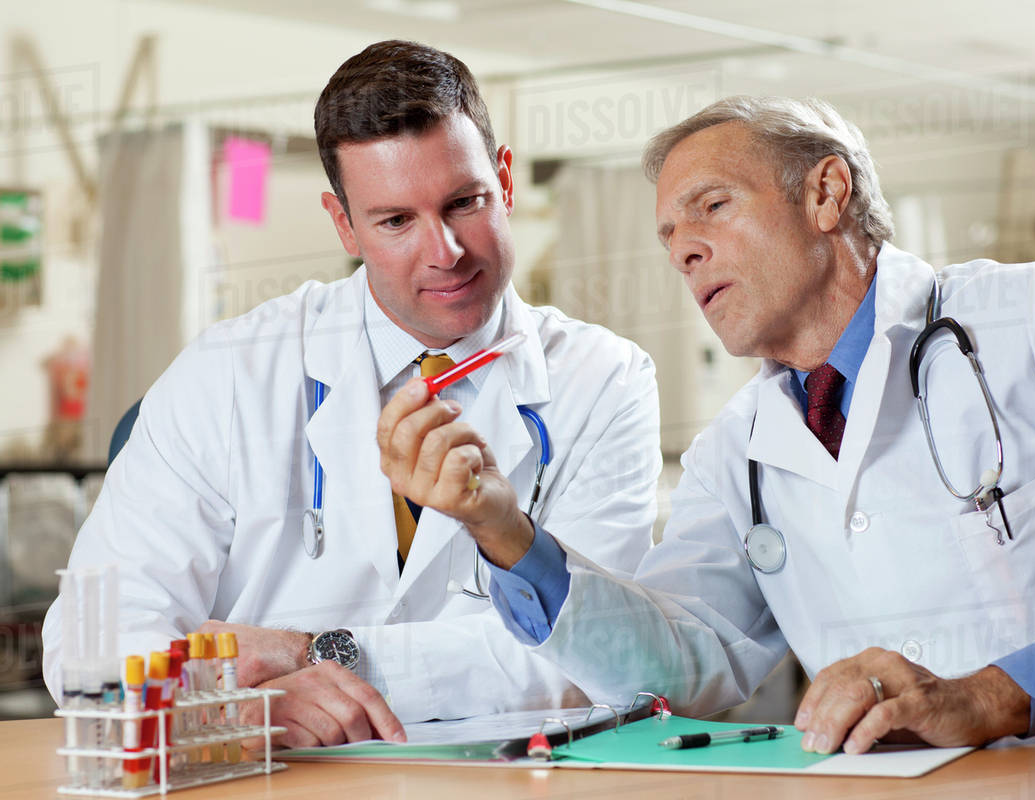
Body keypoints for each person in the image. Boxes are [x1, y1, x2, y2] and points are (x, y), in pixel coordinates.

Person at [449, 95, 1035, 751]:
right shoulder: (735, 452)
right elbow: (676, 664)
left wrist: (990, 697)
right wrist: (507, 534)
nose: (683, 250)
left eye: (712, 206)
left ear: (826, 194)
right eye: (669, 234)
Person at [41, 40, 661, 748]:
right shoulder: (230, 370)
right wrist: (237, 707)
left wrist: (314, 656)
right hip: (272, 770)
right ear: (344, 224)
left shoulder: (605, 378)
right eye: (396, 221)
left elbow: (597, 653)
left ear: (506, 180)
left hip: (500, 775)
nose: (445, 252)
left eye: (464, 203)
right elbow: (91, 644)